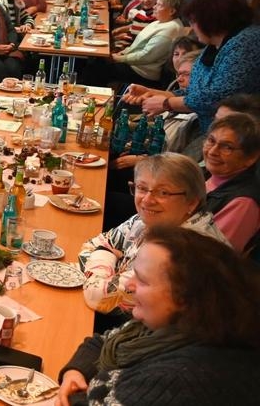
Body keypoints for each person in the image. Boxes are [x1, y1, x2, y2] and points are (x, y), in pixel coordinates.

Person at [59, 226, 260, 406]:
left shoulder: (182, 377)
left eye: (142, 280)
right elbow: (101, 341)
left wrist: (70, 396)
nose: (129, 284)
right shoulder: (168, 324)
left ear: (184, 297)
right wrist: (76, 372)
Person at [80, 153, 228, 329]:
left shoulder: (186, 251)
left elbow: (99, 297)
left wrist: (104, 254)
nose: (147, 200)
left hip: (149, 337)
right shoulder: (151, 219)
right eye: (142, 188)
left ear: (192, 203)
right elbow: (91, 244)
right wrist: (110, 266)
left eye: (163, 192)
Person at [125, 0, 260, 133]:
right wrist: (153, 92)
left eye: (194, 21)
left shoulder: (246, 44)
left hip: (232, 133)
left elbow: (219, 97)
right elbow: (197, 91)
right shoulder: (217, 44)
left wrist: (167, 103)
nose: (192, 27)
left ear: (210, 21)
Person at [201, 114, 260, 255]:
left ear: (251, 157)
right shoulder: (205, 173)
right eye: (211, 141)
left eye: (227, 147)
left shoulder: (244, 202)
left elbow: (210, 256)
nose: (213, 151)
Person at [103, 0, 183, 87]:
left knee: (99, 67)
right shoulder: (161, 21)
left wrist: (119, 58)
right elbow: (137, 46)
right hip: (134, 64)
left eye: (159, 5)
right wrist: (123, 52)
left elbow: (146, 56)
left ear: (172, 11)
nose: (154, 7)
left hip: (143, 72)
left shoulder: (171, 29)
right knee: (98, 61)